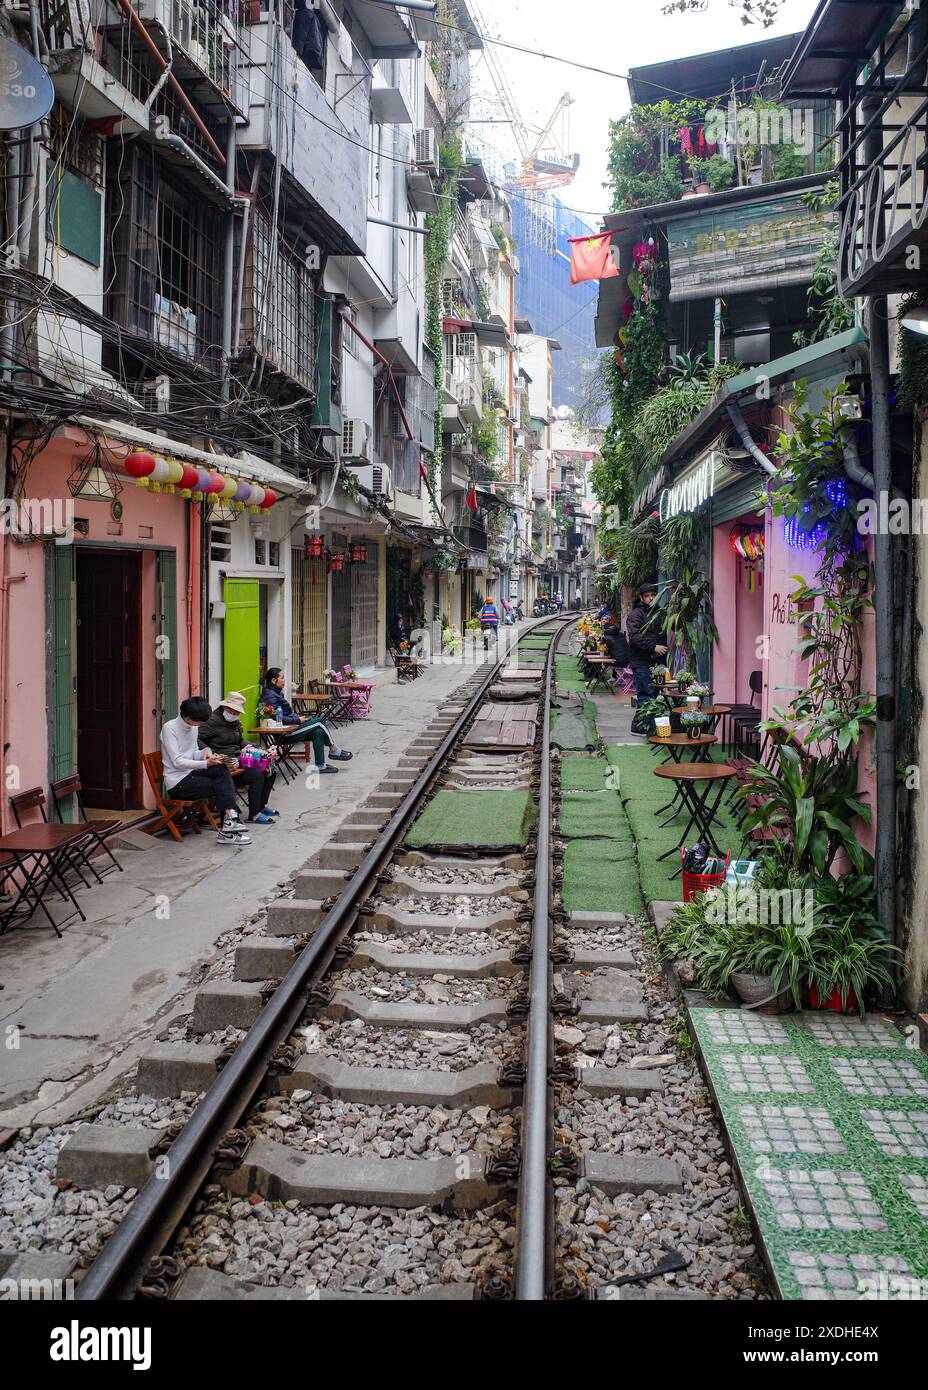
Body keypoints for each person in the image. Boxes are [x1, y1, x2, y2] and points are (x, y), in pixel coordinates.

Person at [160, 697, 251, 846]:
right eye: (201, 722)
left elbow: (193, 752)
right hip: (179, 783)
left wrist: (207, 753)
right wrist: (206, 763)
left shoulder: (193, 727)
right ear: (188, 718)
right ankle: (230, 826)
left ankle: (230, 823)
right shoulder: (169, 729)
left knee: (221, 768)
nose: (202, 725)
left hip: (191, 773)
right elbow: (177, 762)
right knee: (223, 785)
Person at [197, 692, 279, 823]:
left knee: (270, 768)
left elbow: (240, 741)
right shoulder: (212, 721)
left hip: (238, 758)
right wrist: (210, 753)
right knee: (256, 774)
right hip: (224, 761)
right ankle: (254, 814)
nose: (234, 714)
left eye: (237, 712)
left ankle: (261, 806)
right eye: (232, 711)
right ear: (225, 707)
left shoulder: (235, 721)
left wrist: (258, 749)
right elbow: (198, 740)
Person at [260, 668, 353, 775]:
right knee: (319, 721)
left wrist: (298, 718)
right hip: (285, 733)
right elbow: (276, 718)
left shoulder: (275, 693)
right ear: (273, 680)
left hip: (292, 726)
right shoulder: (270, 695)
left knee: (318, 732)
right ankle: (334, 749)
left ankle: (320, 766)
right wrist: (297, 719)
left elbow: (285, 714)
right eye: (282, 678)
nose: (284, 680)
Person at [626, 581, 668, 735]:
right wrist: (654, 647)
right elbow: (635, 637)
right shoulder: (636, 614)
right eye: (647, 596)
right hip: (642, 662)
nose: (650, 598)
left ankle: (646, 726)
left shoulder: (660, 612)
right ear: (642, 598)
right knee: (646, 696)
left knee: (654, 695)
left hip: (658, 663)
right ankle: (638, 727)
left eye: (653, 595)